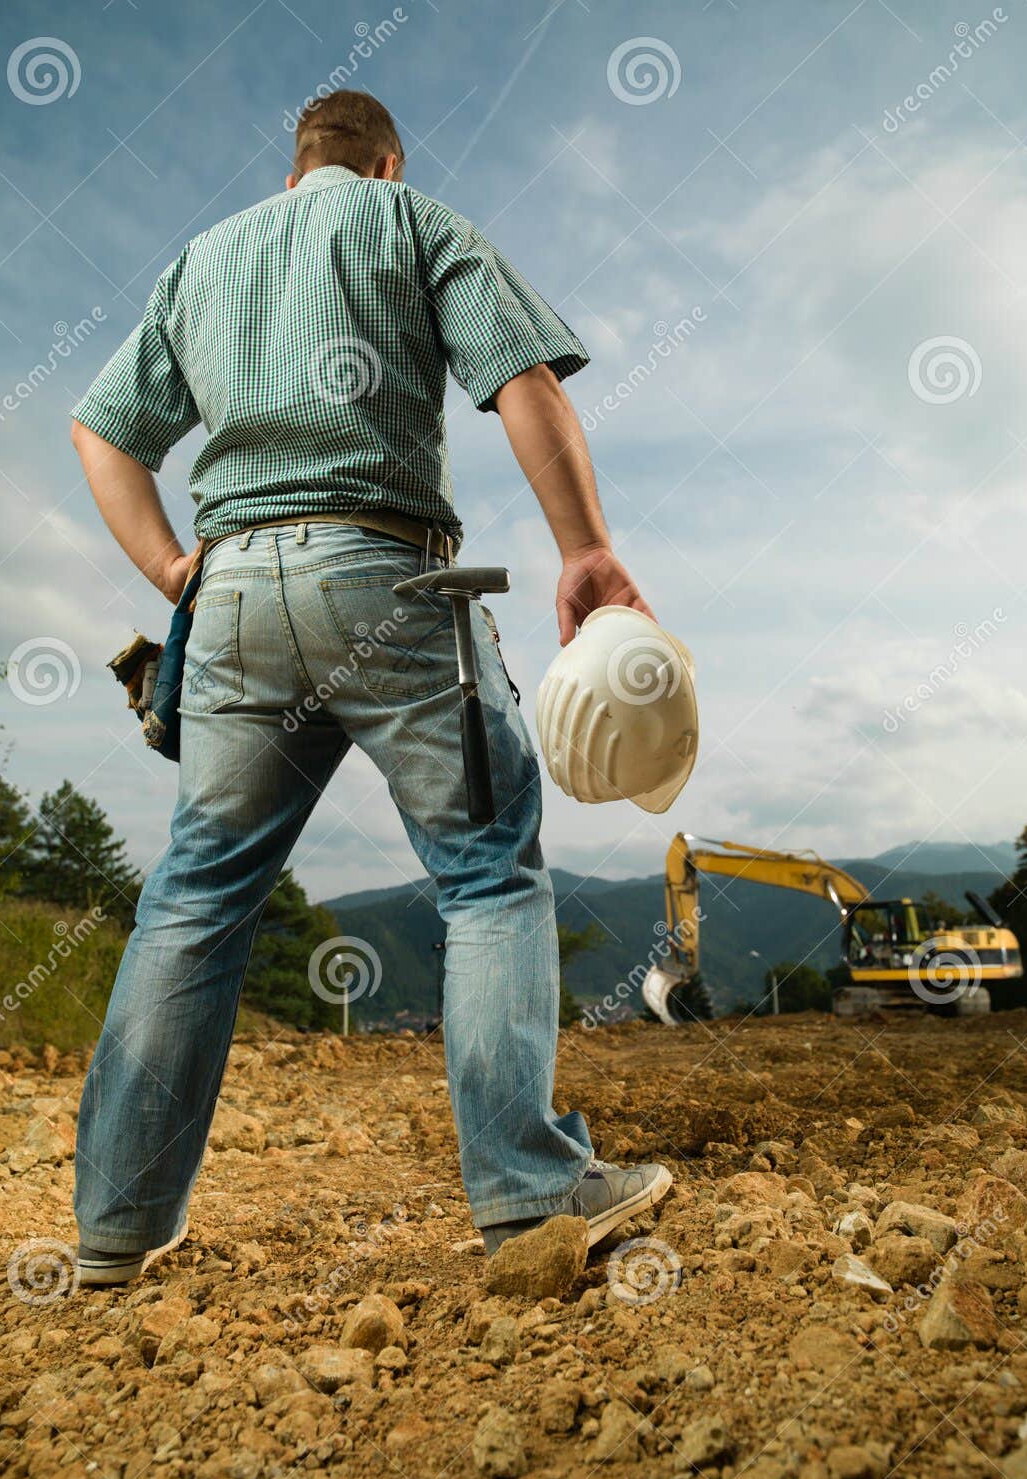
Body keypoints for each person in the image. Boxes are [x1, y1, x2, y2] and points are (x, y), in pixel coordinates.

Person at [68, 89, 671, 1286]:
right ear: (386, 165)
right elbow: (523, 389)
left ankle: (116, 1229)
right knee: (489, 875)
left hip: (232, 596)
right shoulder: (412, 223)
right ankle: (531, 1195)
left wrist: (175, 570)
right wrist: (587, 552)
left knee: (194, 899)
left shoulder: (205, 259)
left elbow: (103, 433)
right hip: (388, 580)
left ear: (295, 171)